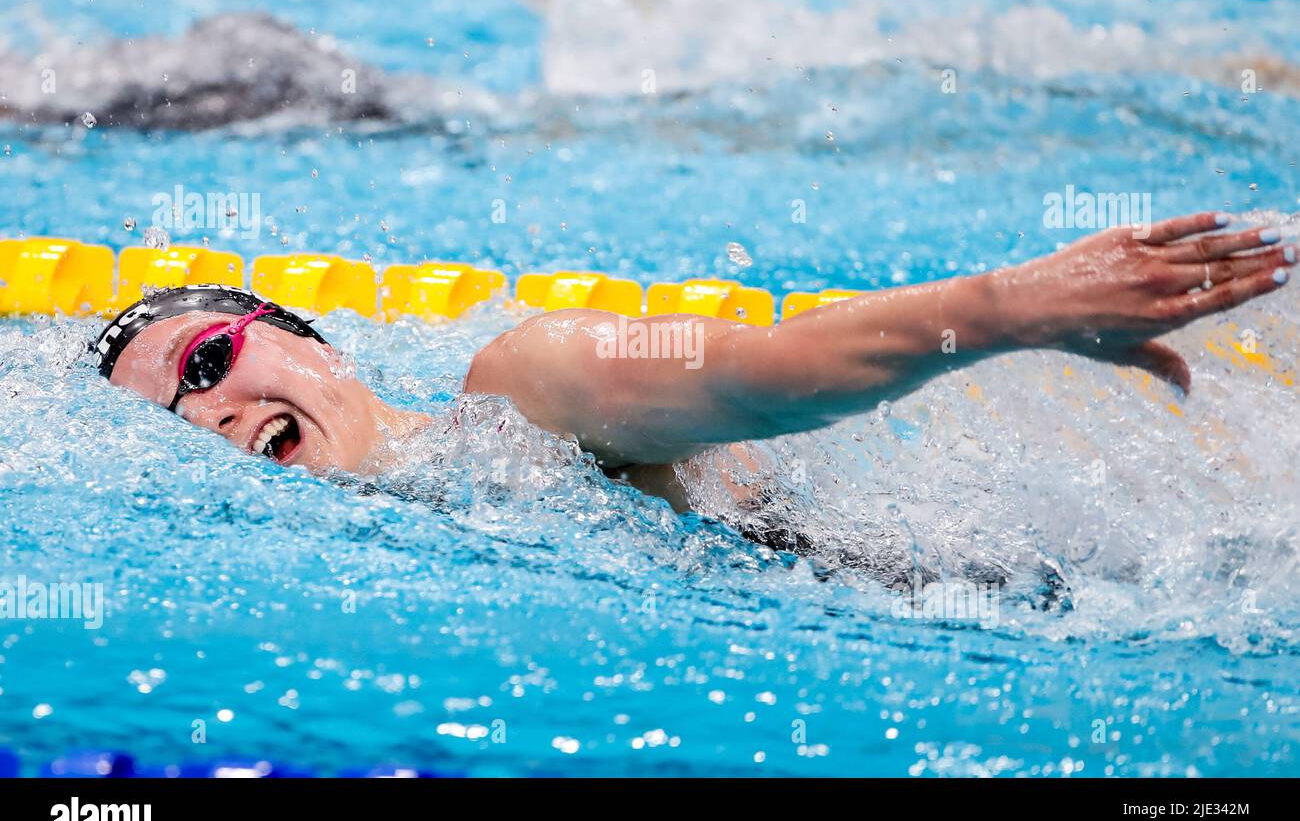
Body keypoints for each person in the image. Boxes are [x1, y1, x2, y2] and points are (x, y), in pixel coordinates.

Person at [94, 212, 1292, 519]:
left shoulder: (527, 387)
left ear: (309, 339)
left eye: (204, 358)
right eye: (169, 421)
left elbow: (767, 366)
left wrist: (1007, 305)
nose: (206, 414)